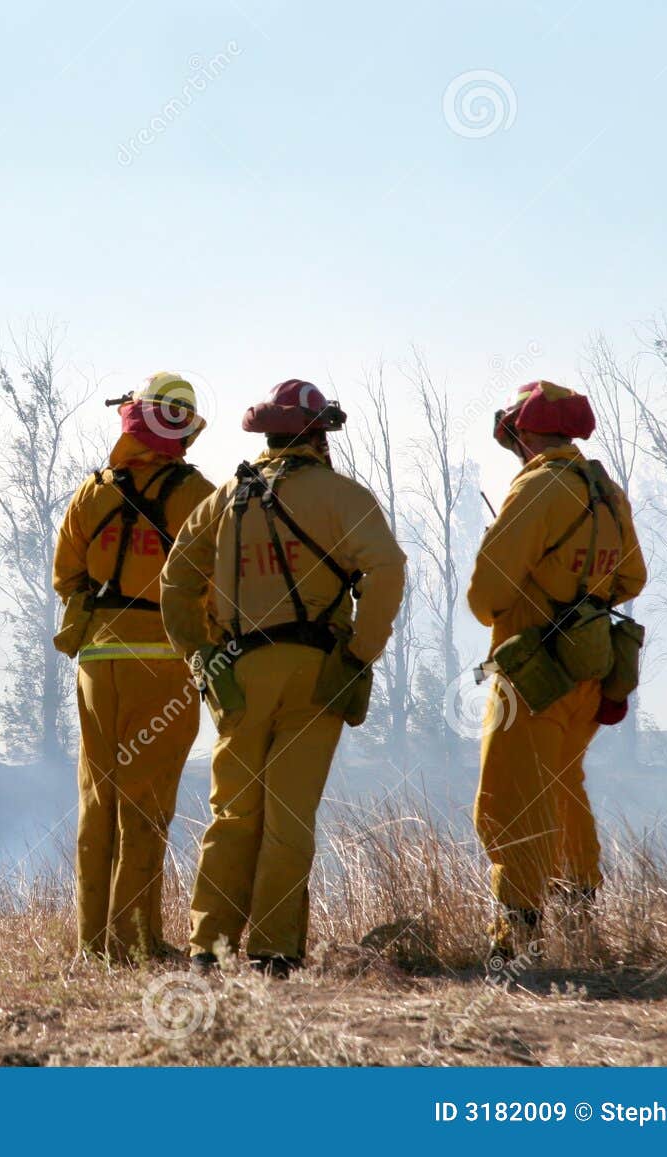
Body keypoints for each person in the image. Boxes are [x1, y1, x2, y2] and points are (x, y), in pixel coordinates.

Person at [159, 379, 406, 977]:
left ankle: (208, 948)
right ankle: (274, 952)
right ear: (319, 434)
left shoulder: (223, 500)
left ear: (267, 436)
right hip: (317, 673)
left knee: (233, 813)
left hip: (239, 675)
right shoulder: (344, 497)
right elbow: (388, 568)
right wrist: (359, 654)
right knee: (289, 814)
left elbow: (174, 584)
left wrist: (202, 659)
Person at [468, 380, 647, 959]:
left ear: (521, 433)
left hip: (532, 672)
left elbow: (487, 591)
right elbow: (633, 579)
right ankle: (579, 912)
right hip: (589, 668)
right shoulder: (605, 491)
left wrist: (524, 601)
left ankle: (515, 937)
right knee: (564, 786)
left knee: (508, 797)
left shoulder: (536, 489)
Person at [52, 372, 215, 961]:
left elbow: (65, 578)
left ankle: (94, 945)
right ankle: (136, 943)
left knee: (99, 799)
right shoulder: (201, 497)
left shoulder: (91, 493)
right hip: (166, 664)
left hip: (97, 662)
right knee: (145, 806)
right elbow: (220, 587)